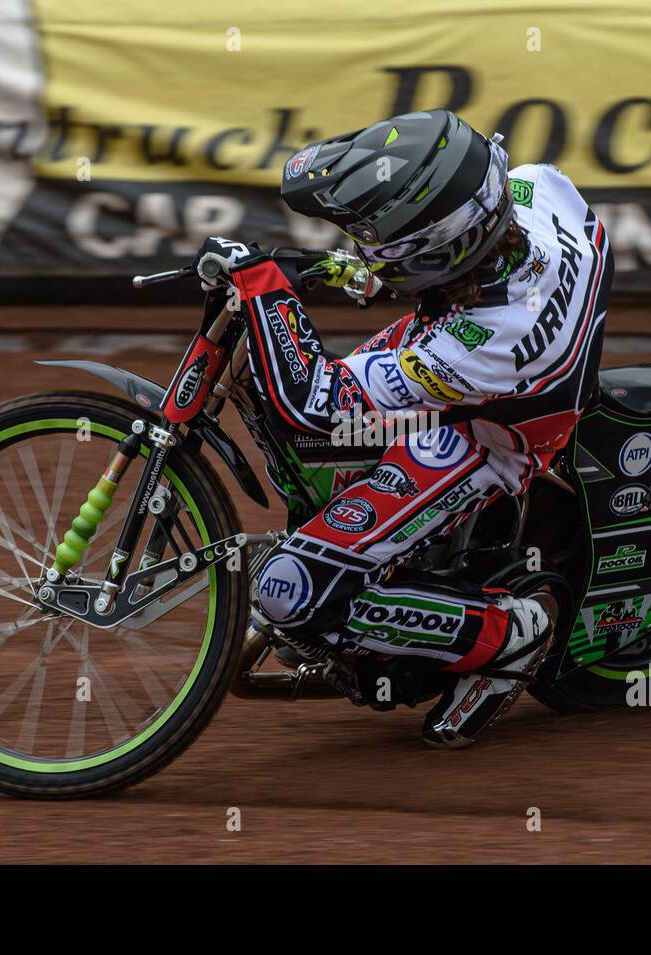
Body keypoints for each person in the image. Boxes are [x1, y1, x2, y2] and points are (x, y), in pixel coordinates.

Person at [198, 109, 613, 747]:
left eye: (380, 247)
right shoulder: (537, 187)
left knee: (288, 592)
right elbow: (433, 263)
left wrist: (265, 289)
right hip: (488, 355)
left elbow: (319, 403)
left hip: (485, 435)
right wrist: (345, 270)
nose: (368, 253)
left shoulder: (485, 341)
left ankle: (510, 636)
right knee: (288, 394)